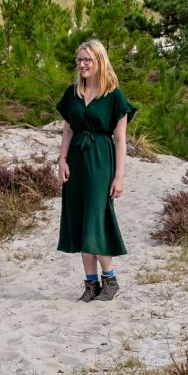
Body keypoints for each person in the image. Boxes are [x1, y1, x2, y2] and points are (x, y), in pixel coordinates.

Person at [56, 39, 135, 300]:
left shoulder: (114, 96)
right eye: (79, 60)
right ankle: (91, 284)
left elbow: (121, 139)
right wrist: (62, 159)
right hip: (76, 159)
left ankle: (110, 280)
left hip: (101, 160)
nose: (81, 64)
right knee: (78, 218)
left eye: (87, 60)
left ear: (99, 61)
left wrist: (119, 176)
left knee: (96, 218)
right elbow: (68, 129)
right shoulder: (73, 93)